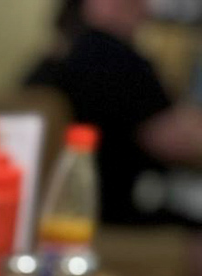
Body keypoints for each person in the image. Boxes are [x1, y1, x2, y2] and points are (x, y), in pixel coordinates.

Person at [26, 0, 202, 226]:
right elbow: (175, 140)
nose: (145, 8)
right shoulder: (112, 56)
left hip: (58, 216)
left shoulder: (53, 59)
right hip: (111, 216)